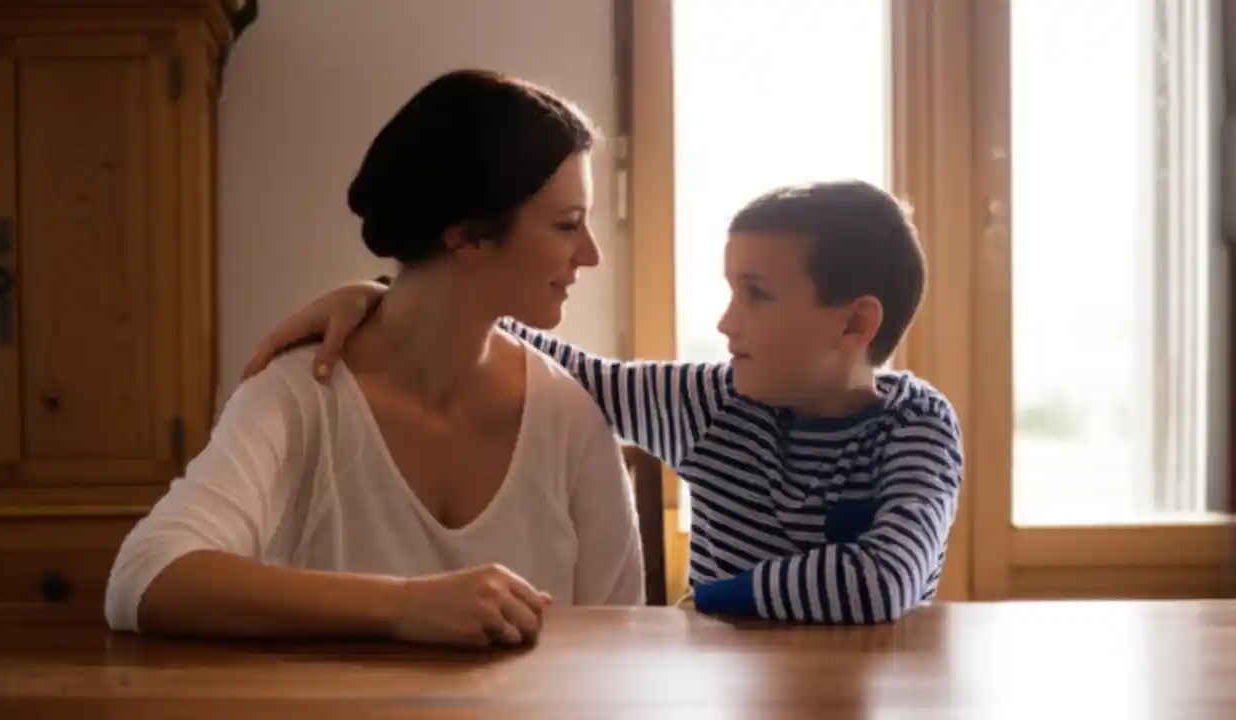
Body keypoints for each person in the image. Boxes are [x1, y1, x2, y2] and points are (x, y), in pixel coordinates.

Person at [245, 180, 964, 625]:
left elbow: (878, 581)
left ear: (855, 323)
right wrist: (389, 297)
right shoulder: (714, 403)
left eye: (757, 295)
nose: (725, 322)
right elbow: (559, 364)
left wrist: (705, 604)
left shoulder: (917, 427)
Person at [105, 69, 645, 648]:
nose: (589, 254)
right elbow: (146, 577)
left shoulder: (570, 417)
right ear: (465, 236)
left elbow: (619, 642)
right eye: (567, 225)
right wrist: (405, 604)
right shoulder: (299, 392)